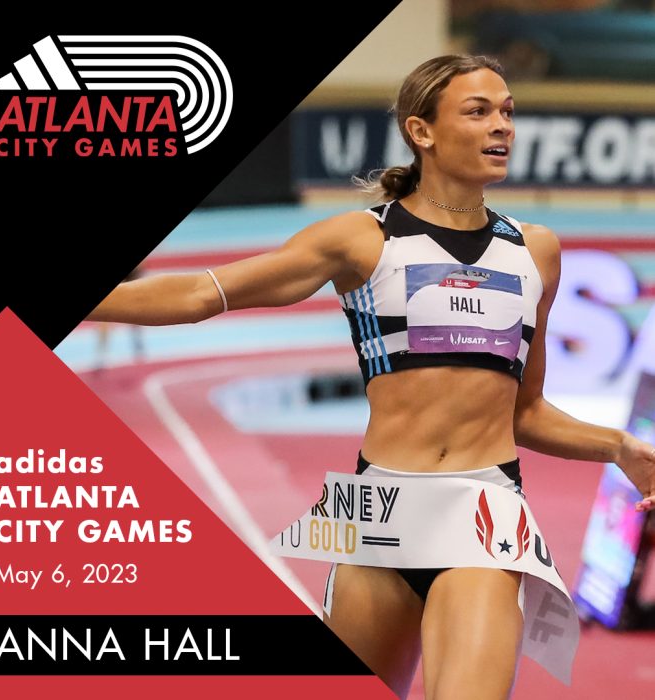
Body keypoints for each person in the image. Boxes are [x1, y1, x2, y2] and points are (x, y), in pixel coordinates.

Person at [87, 55, 655, 700]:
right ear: (422, 130)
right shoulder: (362, 240)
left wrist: (619, 446)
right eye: (478, 111)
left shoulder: (535, 251)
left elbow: (524, 413)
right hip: (377, 511)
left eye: (506, 111)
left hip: (484, 510)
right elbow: (198, 294)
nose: (501, 125)